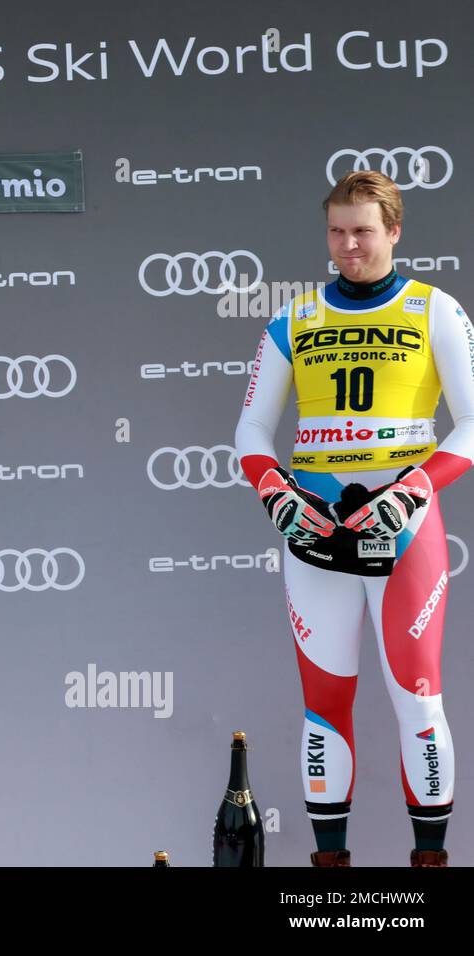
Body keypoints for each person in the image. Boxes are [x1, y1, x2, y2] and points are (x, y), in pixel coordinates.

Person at [235, 170, 474, 867]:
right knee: (323, 704)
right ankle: (329, 876)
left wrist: (412, 490)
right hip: (313, 530)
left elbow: (472, 425)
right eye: (337, 232)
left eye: (363, 231)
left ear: (394, 231)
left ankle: (429, 865)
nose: (348, 246)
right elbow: (250, 428)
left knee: (419, 703)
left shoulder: (435, 310)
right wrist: (275, 489)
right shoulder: (295, 318)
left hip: (403, 531)